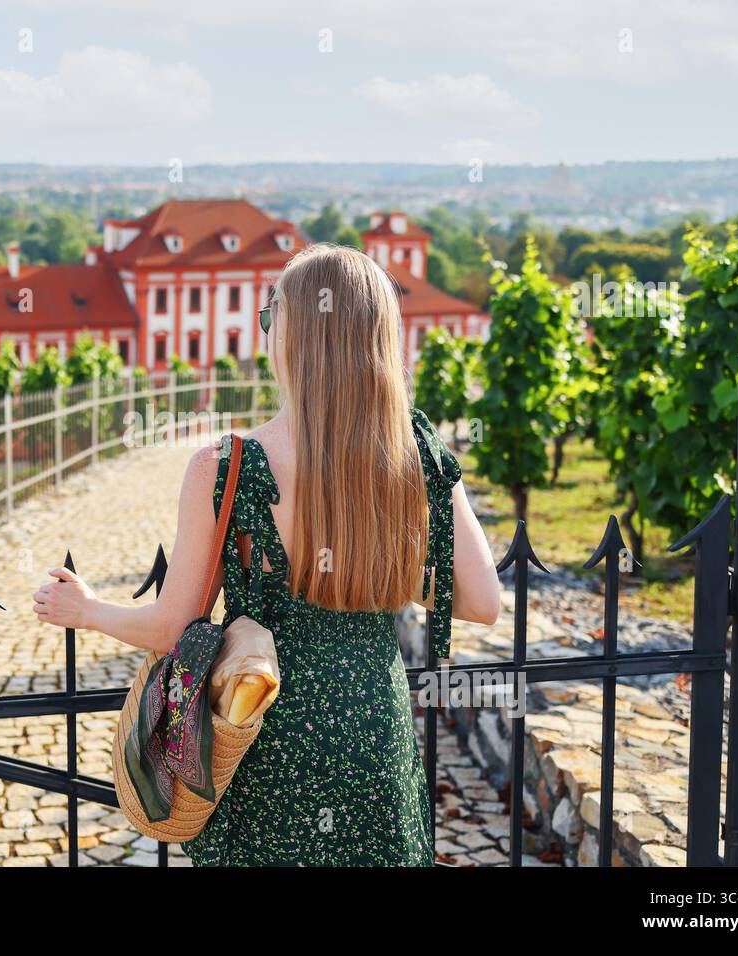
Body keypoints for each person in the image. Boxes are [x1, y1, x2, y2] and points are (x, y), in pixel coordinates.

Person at [33, 243, 500, 866]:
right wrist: (373, 560)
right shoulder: (412, 452)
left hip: (264, 733)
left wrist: (88, 610)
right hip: (374, 731)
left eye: (269, 314)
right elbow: (483, 601)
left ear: (290, 335)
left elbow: (176, 627)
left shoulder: (229, 467)